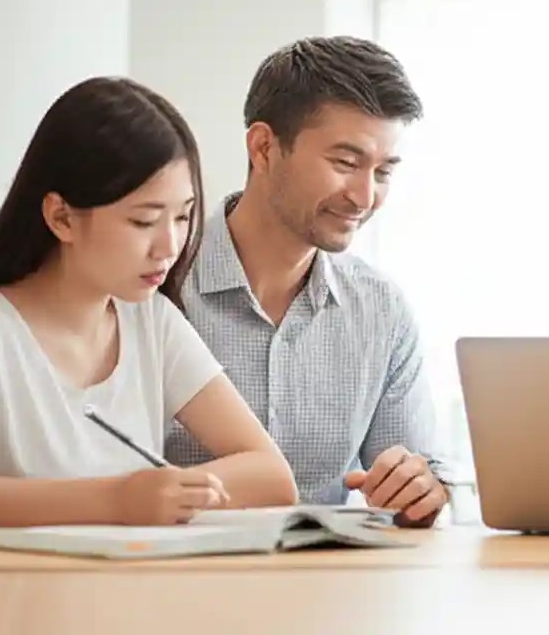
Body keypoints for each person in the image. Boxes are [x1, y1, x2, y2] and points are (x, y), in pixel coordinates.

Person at [0, 77, 298, 535]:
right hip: (3, 599)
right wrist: (115, 500)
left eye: (183, 216)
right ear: (61, 217)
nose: (170, 245)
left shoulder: (152, 322)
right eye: (144, 220)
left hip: (121, 598)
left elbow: (272, 477)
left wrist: (167, 495)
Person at [164, 37, 450, 527]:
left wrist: (423, 491)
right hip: (171, 583)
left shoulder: (381, 310)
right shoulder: (157, 286)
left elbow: (421, 491)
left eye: (383, 171)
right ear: (263, 147)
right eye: (345, 163)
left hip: (328, 591)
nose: (365, 197)